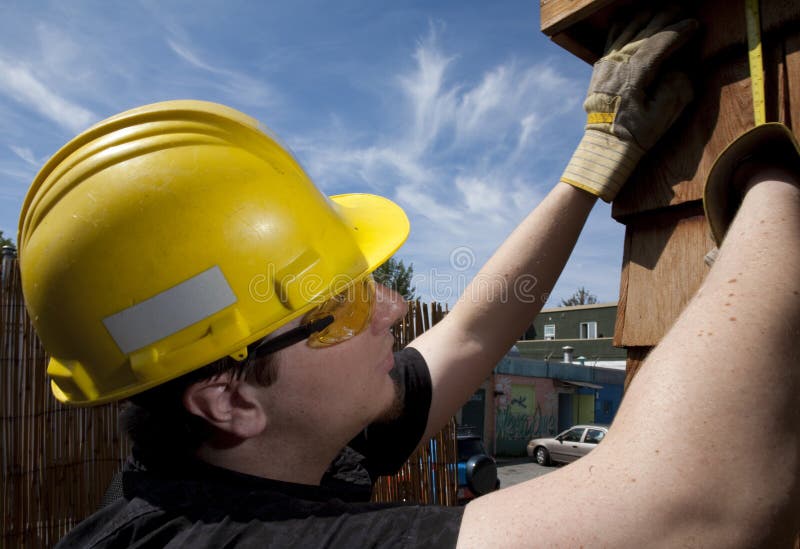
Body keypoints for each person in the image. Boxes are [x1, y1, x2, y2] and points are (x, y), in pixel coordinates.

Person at [17, 9, 799, 548]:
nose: (390, 306)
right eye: (342, 303)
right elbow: (697, 508)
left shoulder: (248, 446)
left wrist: (593, 166)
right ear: (228, 397)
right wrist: (770, 175)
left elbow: (471, 333)